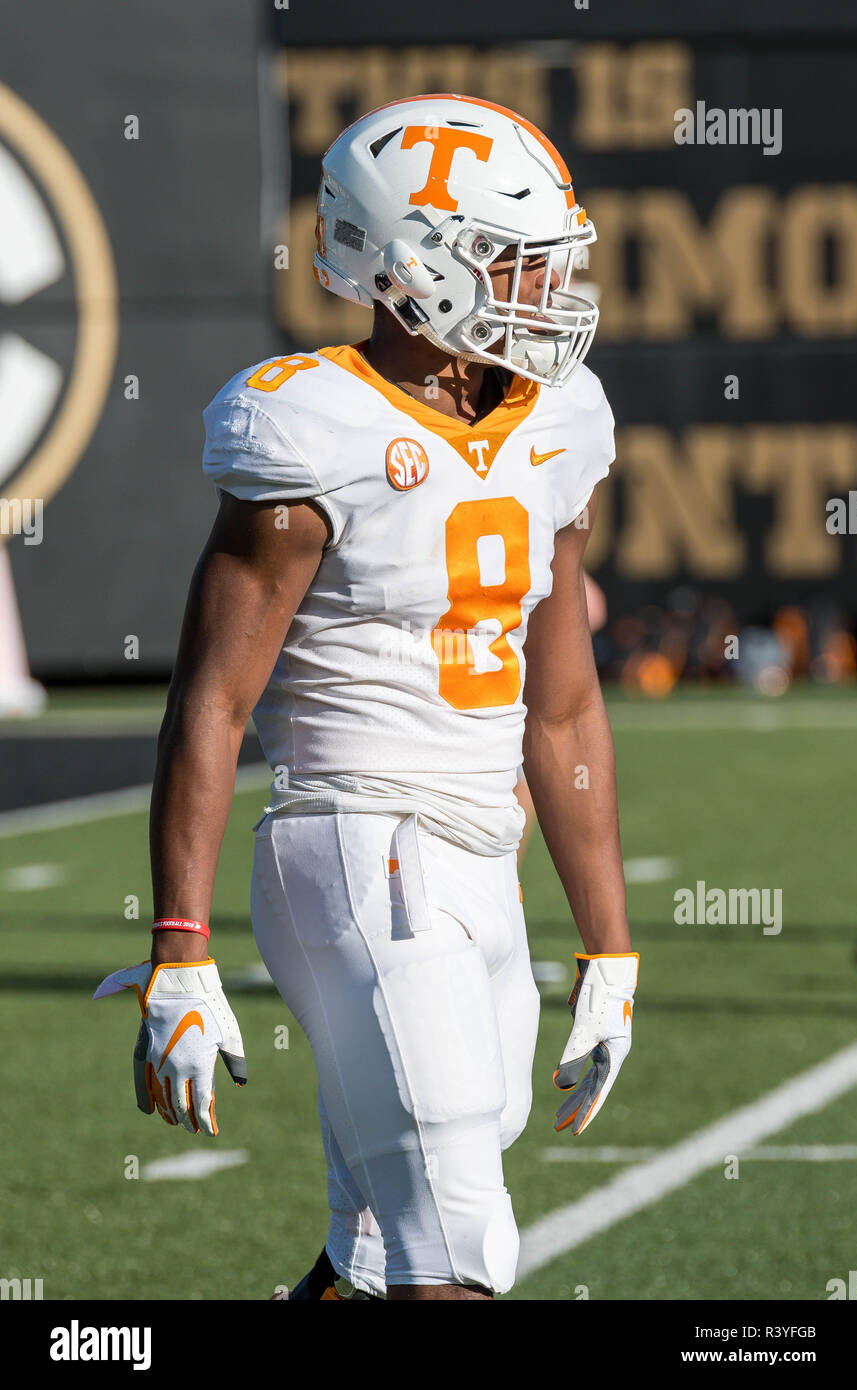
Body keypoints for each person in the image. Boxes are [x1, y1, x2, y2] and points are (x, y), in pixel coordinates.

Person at [96, 94, 638, 1302]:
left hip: (477, 855)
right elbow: (213, 701)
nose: (543, 290)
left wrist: (607, 940)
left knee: (384, 1251)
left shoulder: (559, 418)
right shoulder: (309, 424)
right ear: (413, 269)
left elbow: (560, 708)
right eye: (511, 260)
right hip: (354, 845)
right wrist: (179, 949)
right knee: (459, 1256)